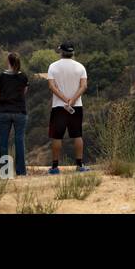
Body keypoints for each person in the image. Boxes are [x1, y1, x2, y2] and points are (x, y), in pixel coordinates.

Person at [46, 42, 89, 173]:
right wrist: (72, 100)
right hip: (76, 106)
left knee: (57, 136)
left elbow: (52, 87)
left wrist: (65, 100)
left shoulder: (53, 66)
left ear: (61, 52)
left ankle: (54, 167)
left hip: (59, 106)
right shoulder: (80, 67)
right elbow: (84, 86)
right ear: (72, 52)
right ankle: (80, 165)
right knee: (77, 135)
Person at [0, 52, 29, 177]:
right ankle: (21, 172)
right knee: (19, 140)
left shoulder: (0, 77)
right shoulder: (23, 77)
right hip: (19, 111)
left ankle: (5, 172)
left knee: (3, 141)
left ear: (8, 61)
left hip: (3, 111)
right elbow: (24, 93)